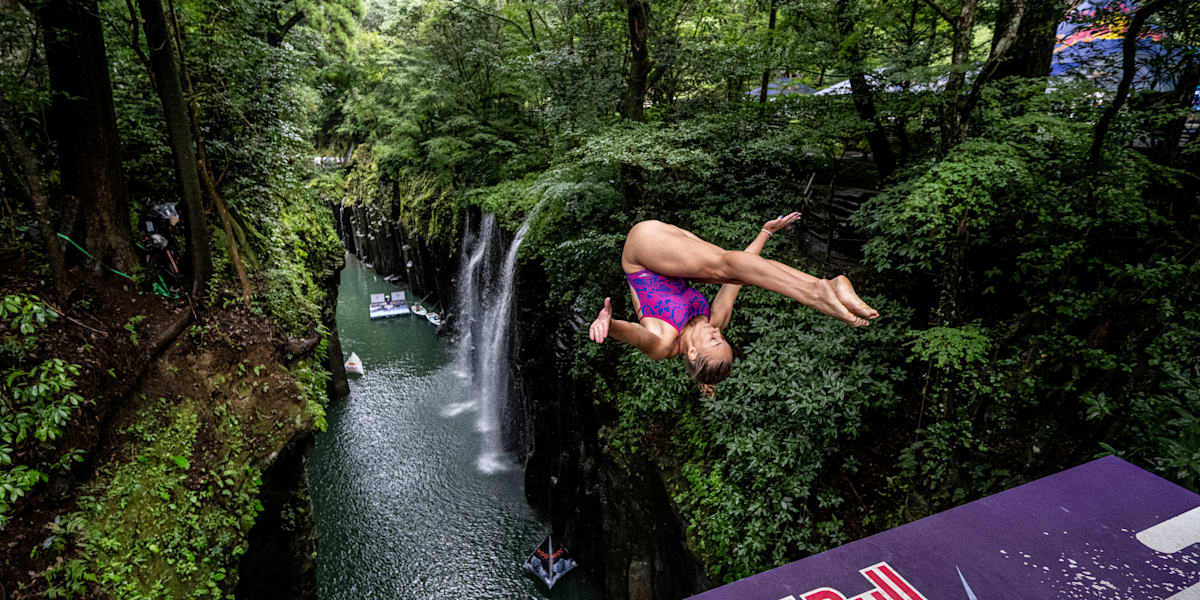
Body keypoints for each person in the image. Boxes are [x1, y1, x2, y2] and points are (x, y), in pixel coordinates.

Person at [588, 215, 879, 392]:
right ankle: (829, 285)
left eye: (715, 341)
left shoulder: (663, 343)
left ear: (691, 352)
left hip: (643, 251)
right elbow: (737, 275)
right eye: (722, 338)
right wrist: (765, 233)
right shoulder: (714, 320)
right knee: (737, 273)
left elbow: (633, 333)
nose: (718, 333)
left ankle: (818, 292)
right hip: (672, 251)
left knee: (724, 266)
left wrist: (607, 324)